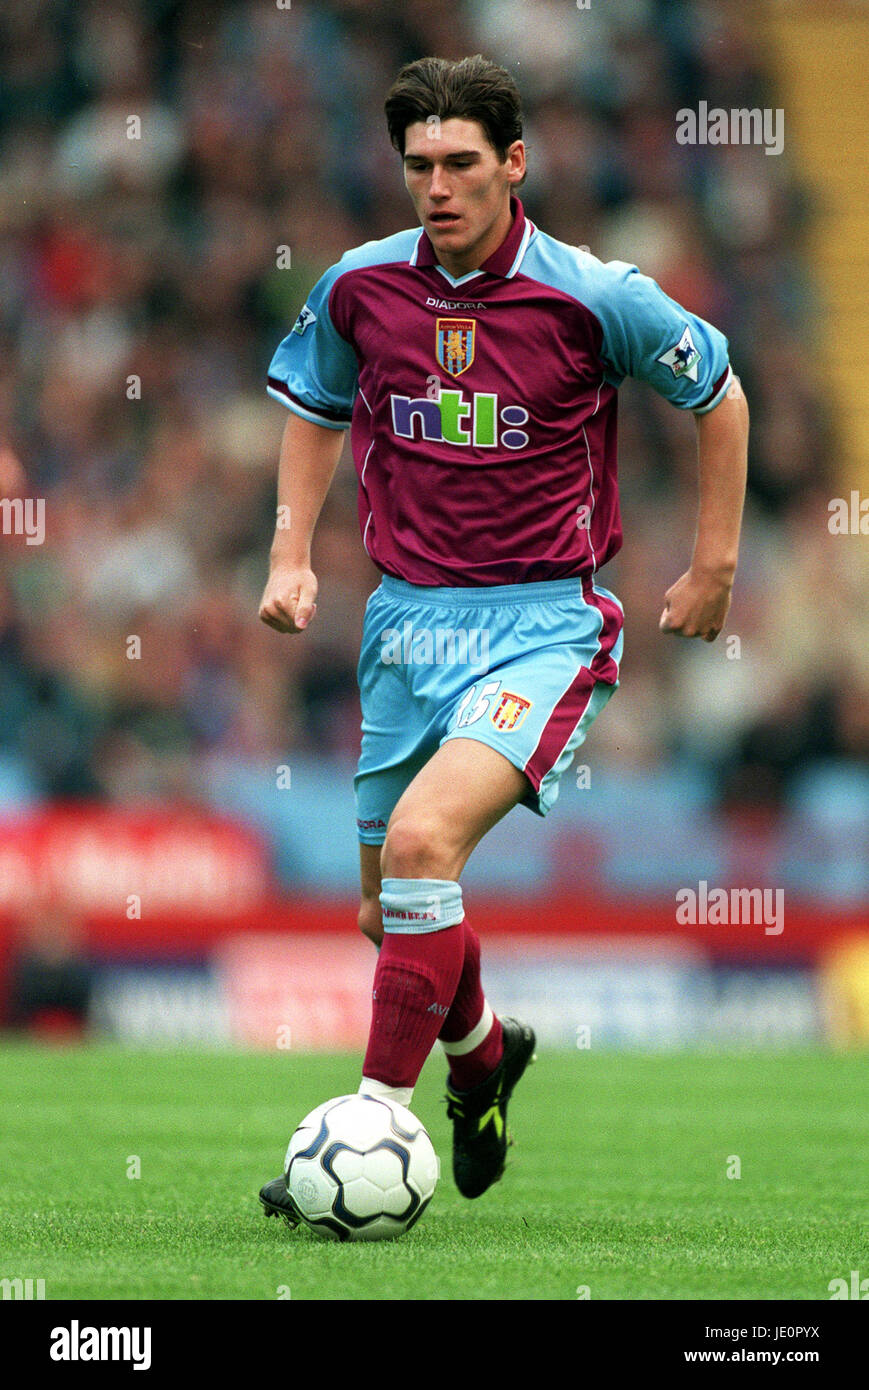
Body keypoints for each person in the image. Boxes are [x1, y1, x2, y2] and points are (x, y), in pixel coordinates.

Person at [257, 54, 748, 1223]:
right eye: (418, 164)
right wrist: (287, 551)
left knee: (425, 844)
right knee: (391, 913)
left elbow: (718, 396)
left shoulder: (592, 295)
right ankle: (479, 1060)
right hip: (402, 624)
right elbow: (312, 411)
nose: (436, 186)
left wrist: (714, 564)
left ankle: (375, 1115)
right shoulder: (360, 288)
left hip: (541, 623)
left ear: (511, 164)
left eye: (460, 163)